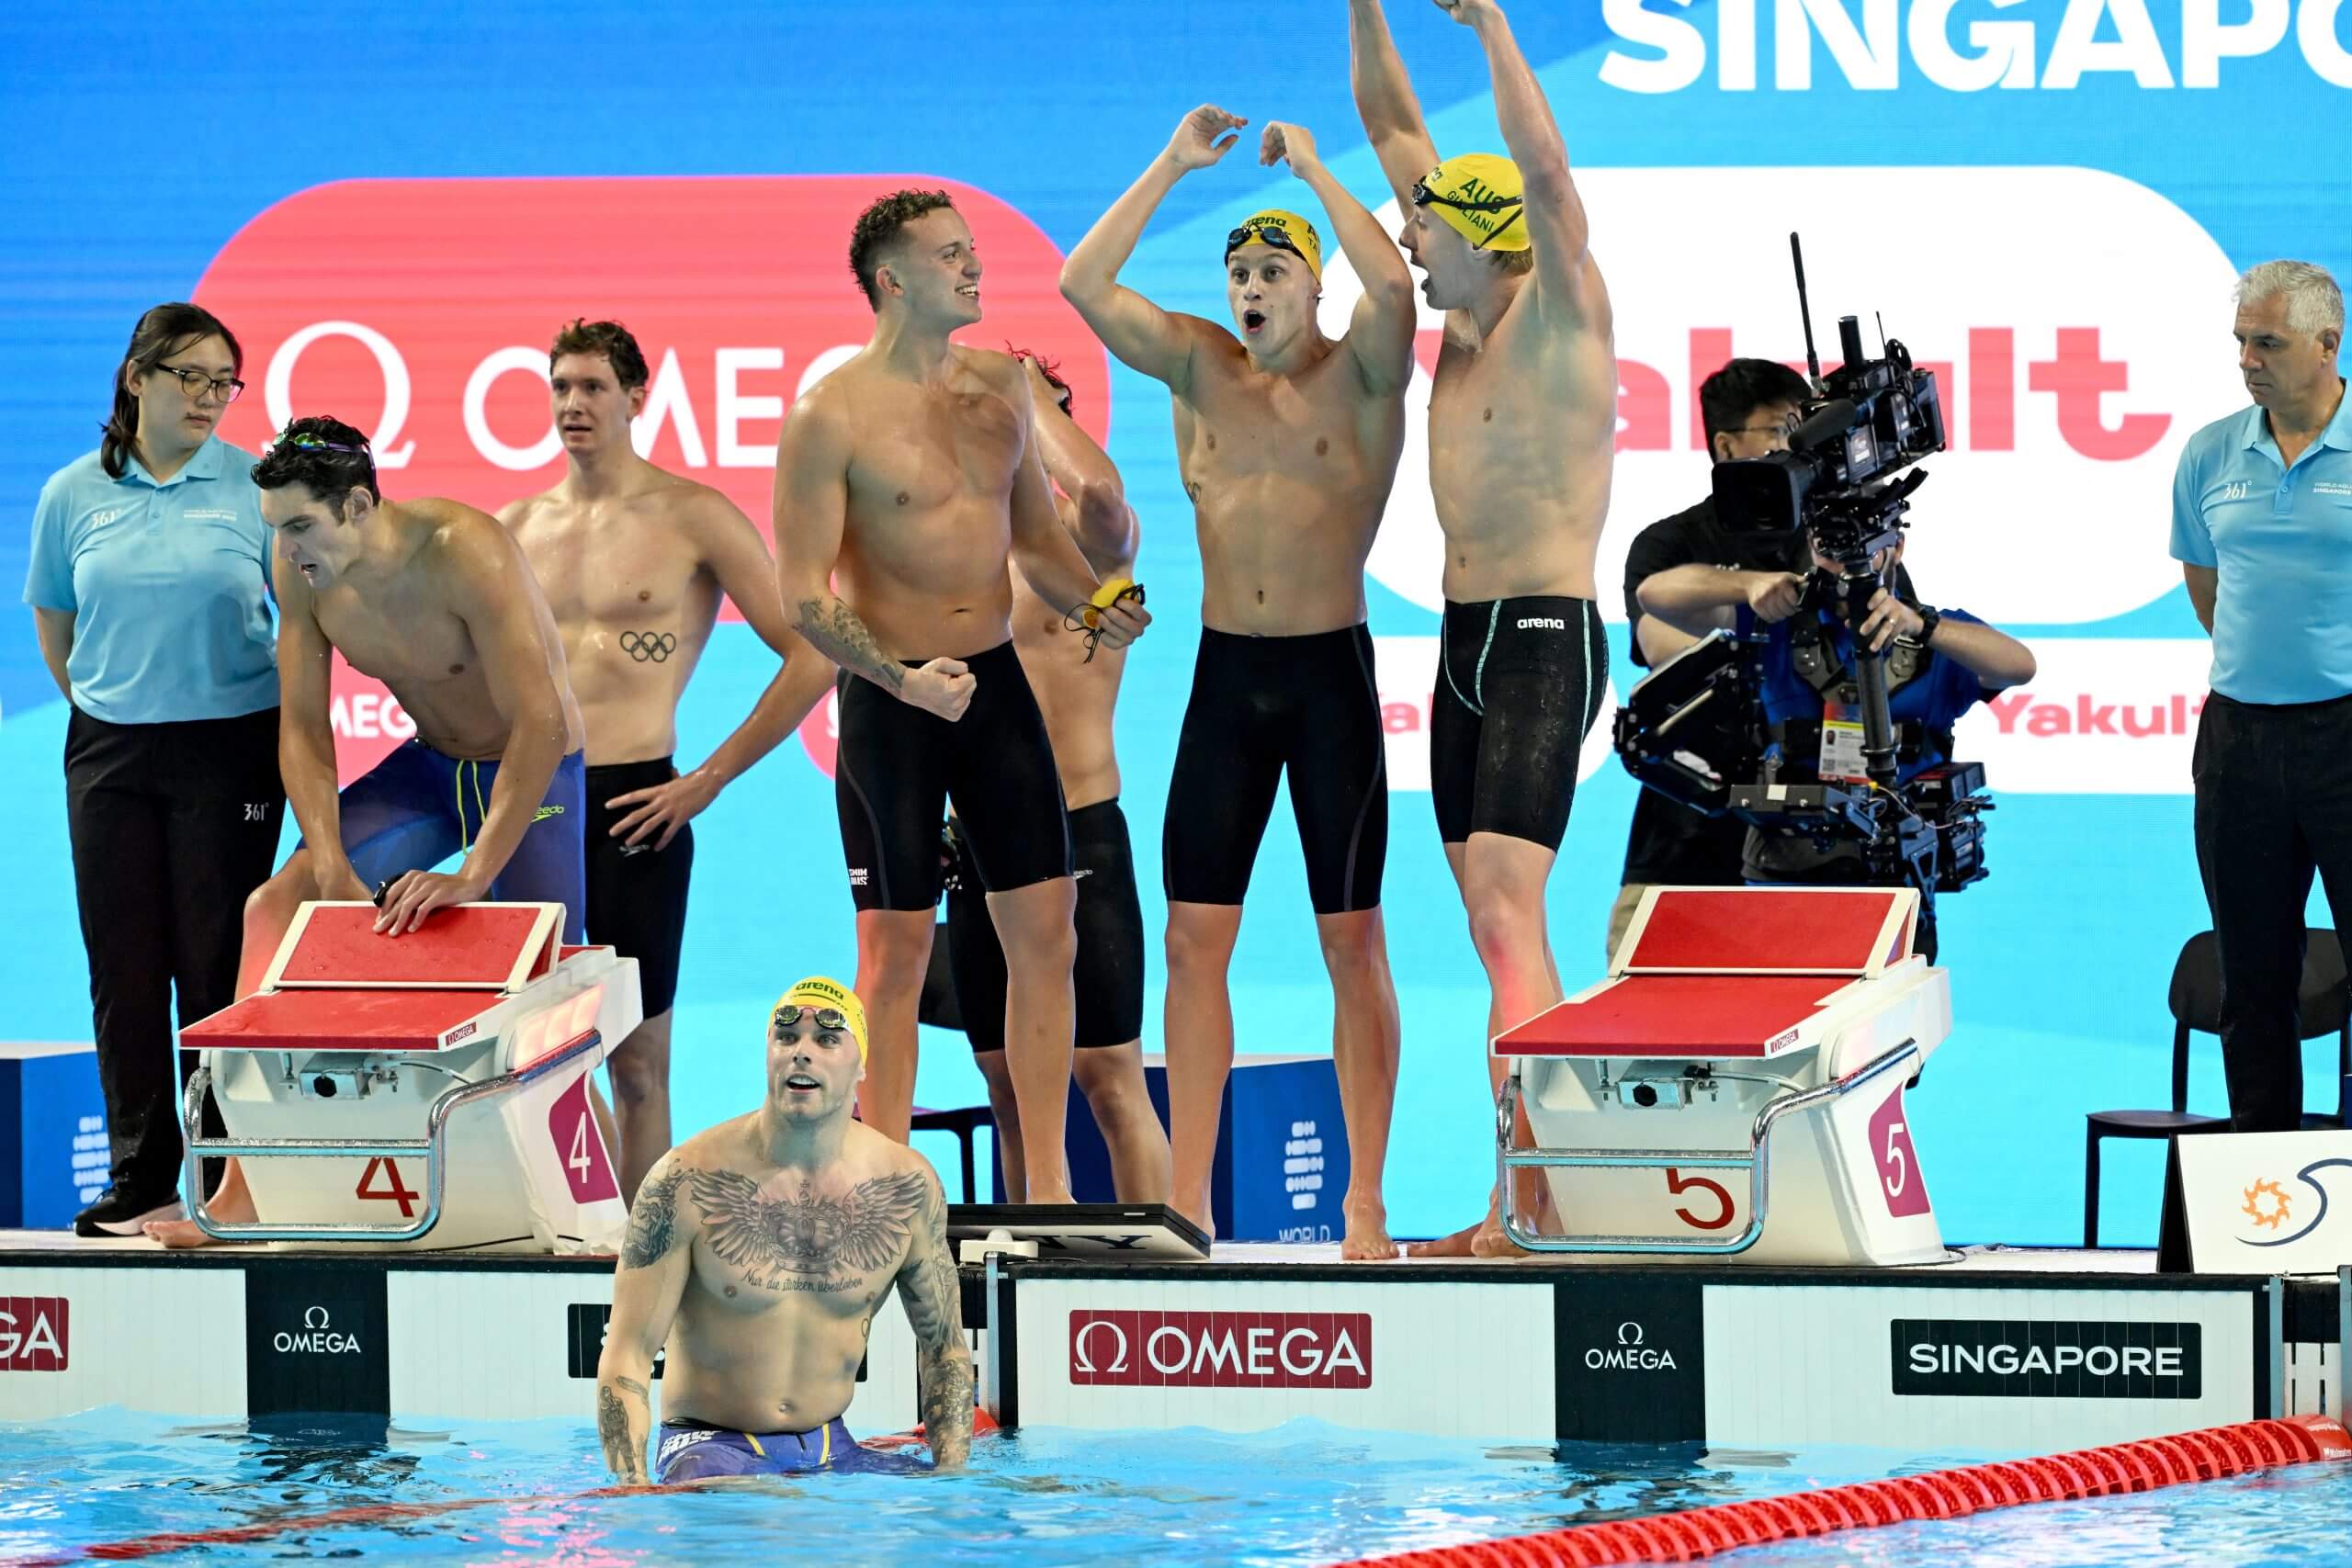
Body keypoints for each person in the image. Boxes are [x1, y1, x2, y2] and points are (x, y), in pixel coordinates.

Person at [1058, 107, 1414, 1258]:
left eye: (1274, 270)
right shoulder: (1198, 366)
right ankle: (1193, 1202)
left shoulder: (1361, 374)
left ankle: (1362, 1201)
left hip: (1326, 682)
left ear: (1314, 290)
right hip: (1225, 681)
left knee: (1351, 943)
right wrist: (1168, 163)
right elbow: (1082, 281)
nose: (1250, 287)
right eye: (1238, 270)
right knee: (1191, 942)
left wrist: (1315, 169)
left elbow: (1396, 293)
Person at [775, 190, 1148, 1205]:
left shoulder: (998, 390)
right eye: (951, 256)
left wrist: (1101, 602)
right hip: (895, 707)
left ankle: (1051, 1190)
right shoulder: (829, 417)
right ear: (892, 281)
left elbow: (1037, 544)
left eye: (974, 251)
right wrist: (898, 678)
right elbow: (803, 595)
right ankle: (879, 1177)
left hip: (993, 698)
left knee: (1048, 934)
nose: (975, 269)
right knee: (893, 952)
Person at [144, 415, 592, 1247]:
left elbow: (542, 723)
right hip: (430, 770)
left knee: (551, 977)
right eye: (275, 527)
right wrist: (327, 859)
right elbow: (306, 731)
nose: (286, 547)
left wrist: (473, 872)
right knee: (274, 908)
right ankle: (239, 1190)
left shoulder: (467, 549)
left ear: (357, 504)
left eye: (301, 525)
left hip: (533, 770)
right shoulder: (302, 570)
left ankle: (590, 1215)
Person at [1347, 0, 1614, 1257]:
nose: (1407, 244)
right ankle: (1531, 1192)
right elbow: (1393, 121)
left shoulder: (1558, 314)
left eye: (1426, 230)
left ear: (1488, 240)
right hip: (1461, 646)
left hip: (1546, 635)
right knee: (1490, 924)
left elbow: (1546, 175)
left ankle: (1539, 1198)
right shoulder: (1457, 315)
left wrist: (1494, 23)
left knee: (1510, 912)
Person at [503, 318, 834, 1203]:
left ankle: (646, 1261)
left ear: (637, 397)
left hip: (635, 806)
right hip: (534, 807)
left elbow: (812, 653)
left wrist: (707, 778)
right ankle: (580, 1237)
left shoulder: (692, 517)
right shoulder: (513, 528)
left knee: (637, 1066)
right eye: (561, 387)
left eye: (593, 388)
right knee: (534, 1059)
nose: (574, 405)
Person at [23, 304, 285, 1237]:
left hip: (233, 745)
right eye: (193, 377)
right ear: (137, 377)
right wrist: (117, 699)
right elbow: (58, 625)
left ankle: (222, 1183)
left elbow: (299, 624)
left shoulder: (256, 485)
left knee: (216, 966)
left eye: (227, 382)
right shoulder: (69, 495)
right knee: (124, 968)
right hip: (111, 750)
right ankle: (139, 1179)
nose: (212, 398)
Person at [942, 352, 1171, 1203]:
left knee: (1111, 1077)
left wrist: (1030, 395)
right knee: (1008, 1089)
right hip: (977, 836)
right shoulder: (963, 550)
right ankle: (1028, 1276)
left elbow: (1107, 497)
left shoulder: (1089, 540)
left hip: (1080, 823)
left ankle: (1160, 1288)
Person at [596, 978, 972, 1479]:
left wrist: (951, 1483)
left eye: (827, 1040)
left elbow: (944, 1348)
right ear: (768, 1053)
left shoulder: (906, 1186)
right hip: (710, 1449)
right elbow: (627, 1355)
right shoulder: (687, 1179)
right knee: (773, 1513)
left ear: (862, 1066)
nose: (802, 1053)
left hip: (832, 1447)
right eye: (787, 1037)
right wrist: (632, 1485)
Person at [1611, 358, 1918, 958]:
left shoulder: (1841, 542)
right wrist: (1754, 595)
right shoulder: (1670, 545)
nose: (1798, 446)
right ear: (1727, 446)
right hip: (1685, 846)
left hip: (1820, 856)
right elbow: (1662, 645)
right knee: (1658, 1039)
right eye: (1782, 430)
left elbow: (1889, 664)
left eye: (1806, 428)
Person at [1637, 537, 2037, 962]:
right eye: (1827, 548)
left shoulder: (1934, 635)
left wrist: (1924, 625)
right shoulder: (1778, 621)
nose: (1846, 562)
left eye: (1865, 545)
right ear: (1810, 548)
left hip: (1893, 880)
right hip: (1784, 871)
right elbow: (1655, 596)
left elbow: (2020, 665)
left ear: (1896, 546)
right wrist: (1750, 585)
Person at [2172, 259, 2352, 1133]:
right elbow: (2207, 583)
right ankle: (2266, 1208)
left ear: (2328, 344)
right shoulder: (2211, 450)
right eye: (2241, 340)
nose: (2247, 358)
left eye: (2268, 342)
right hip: (2239, 739)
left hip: (2348, 734)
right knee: (2254, 982)